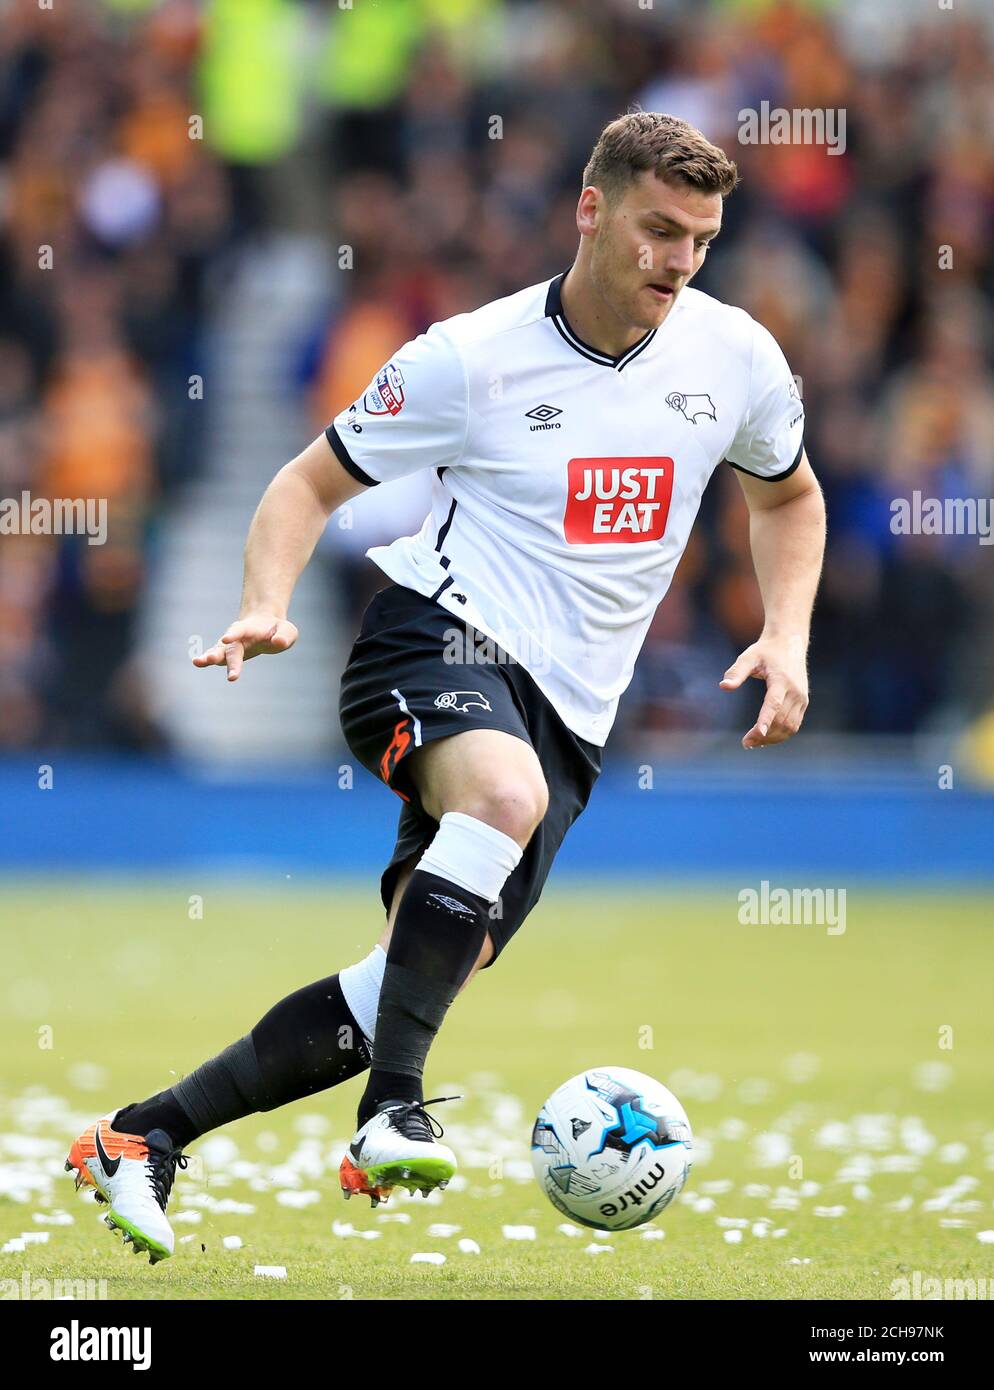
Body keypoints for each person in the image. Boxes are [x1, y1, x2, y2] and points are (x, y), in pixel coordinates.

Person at [66, 112, 825, 1263]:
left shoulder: (736, 360)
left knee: (400, 981)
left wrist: (787, 635)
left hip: (572, 714)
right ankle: (392, 1111)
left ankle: (142, 1136)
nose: (677, 261)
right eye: (659, 230)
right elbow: (300, 484)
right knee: (500, 801)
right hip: (437, 638)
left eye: (701, 241)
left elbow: (789, 497)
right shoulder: (467, 358)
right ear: (590, 208)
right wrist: (266, 602)